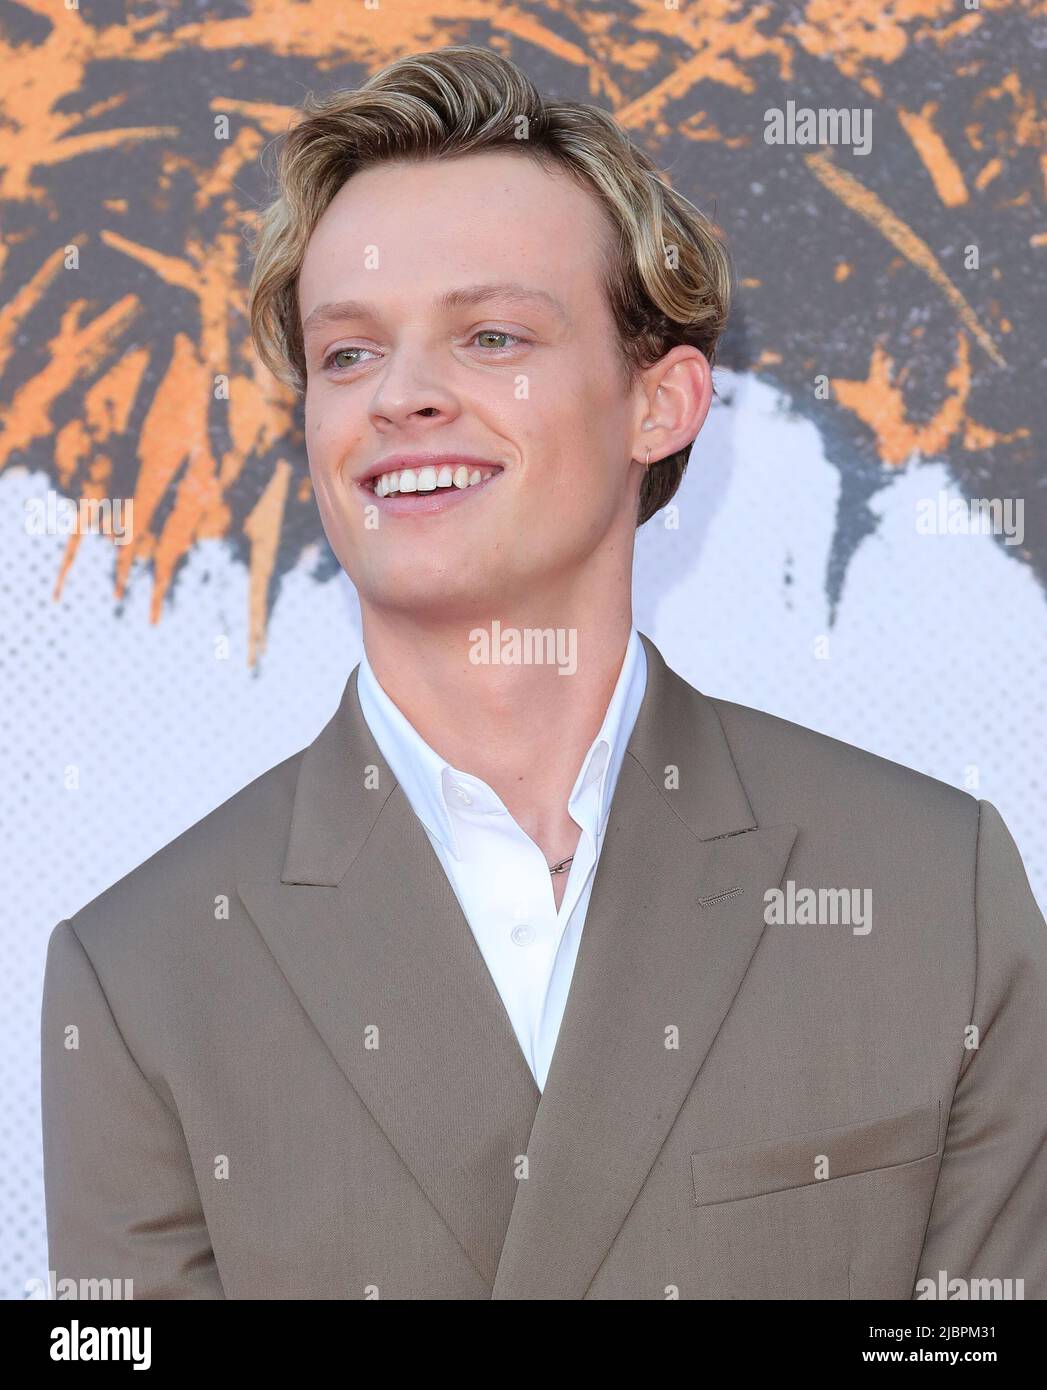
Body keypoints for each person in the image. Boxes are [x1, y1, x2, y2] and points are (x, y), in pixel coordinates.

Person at [41, 44, 1046, 1301]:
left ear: (662, 403)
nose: (402, 396)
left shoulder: (929, 889)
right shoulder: (141, 976)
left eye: (491, 334)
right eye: (348, 354)